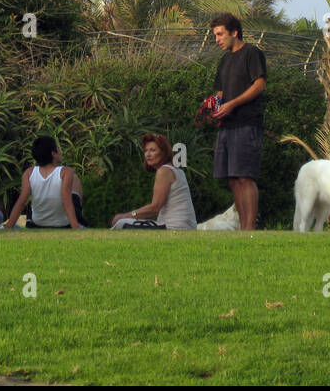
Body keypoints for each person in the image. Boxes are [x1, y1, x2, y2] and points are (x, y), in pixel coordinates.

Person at [210, 12, 266, 230]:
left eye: (220, 34)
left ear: (234, 32)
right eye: (215, 35)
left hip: (247, 124)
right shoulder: (224, 60)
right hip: (226, 125)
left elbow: (259, 85)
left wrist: (232, 104)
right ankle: (242, 227)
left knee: (245, 176)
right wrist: (214, 104)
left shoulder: (252, 53)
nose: (217, 39)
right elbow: (221, 92)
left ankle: (249, 230)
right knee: (232, 178)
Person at [109, 133, 197, 230]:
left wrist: (128, 215)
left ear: (164, 152)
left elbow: (155, 208)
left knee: (121, 222)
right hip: (185, 227)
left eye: (153, 150)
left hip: (174, 227)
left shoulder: (164, 171)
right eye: (146, 150)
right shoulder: (178, 170)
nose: (148, 154)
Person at [3, 135, 88, 229]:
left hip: (38, 224)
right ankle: (79, 221)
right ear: (53, 153)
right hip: (62, 224)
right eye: (58, 149)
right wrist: (75, 228)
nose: (60, 152)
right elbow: (66, 201)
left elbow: (21, 202)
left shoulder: (29, 173)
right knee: (75, 179)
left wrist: (8, 226)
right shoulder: (66, 172)